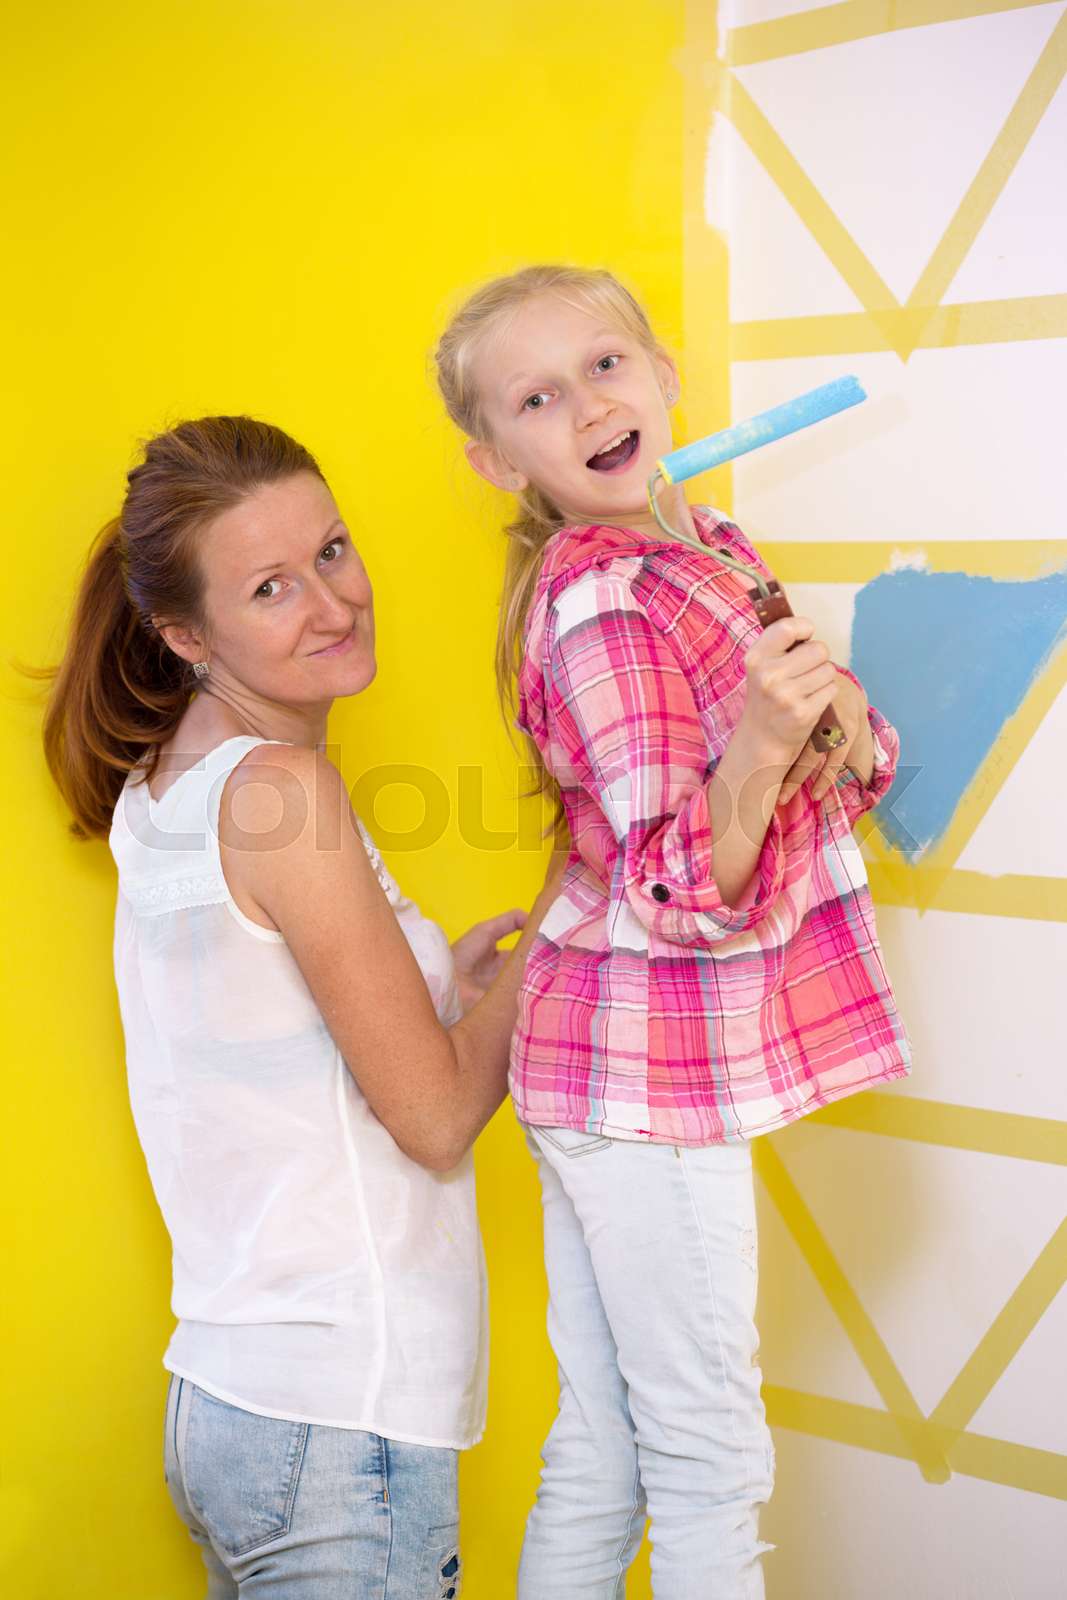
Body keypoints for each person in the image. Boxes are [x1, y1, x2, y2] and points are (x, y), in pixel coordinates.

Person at [434, 264, 912, 1598]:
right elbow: (674, 887)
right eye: (534, 397)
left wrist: (810, 723)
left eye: (601, 364)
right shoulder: (602, 600)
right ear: (494, 461)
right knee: (709, 1456)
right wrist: (763, 739)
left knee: (609, 1442)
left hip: (613, 1061)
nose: (584, 403)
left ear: (664, 377)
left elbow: (863, 764)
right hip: (641, 1070)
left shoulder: (709, 551)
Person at [41, 414, 562, 1599]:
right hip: (339, 1423)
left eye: (331, 550)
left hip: (228, 1403)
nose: (333, 604)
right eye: (271, 587)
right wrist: (574, 902)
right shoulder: (284, 792)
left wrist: (448, 987)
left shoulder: (163, 785)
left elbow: (269, 1048)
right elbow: (431, 1119)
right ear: (184, 633)